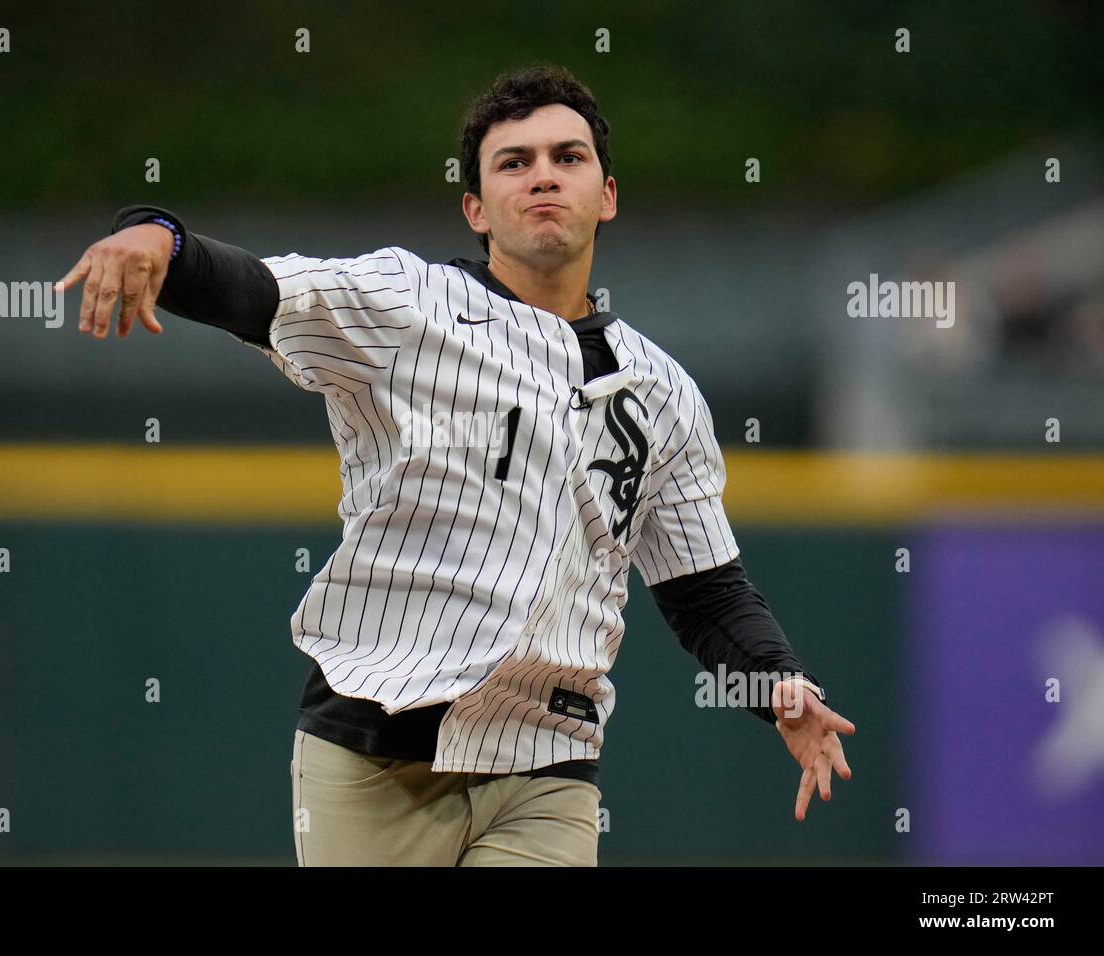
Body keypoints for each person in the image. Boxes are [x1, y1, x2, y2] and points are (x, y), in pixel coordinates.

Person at [55, 63, 855, 866]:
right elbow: (256, 291)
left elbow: (706, 592)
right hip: (375, 752)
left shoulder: (663, 391)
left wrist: (778, 683)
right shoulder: (406, 304)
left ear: (607, 195)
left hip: (547, 764)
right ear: (476, 208)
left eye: (568, 157)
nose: (543, 175)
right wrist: (158, 235)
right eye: (514, 162)